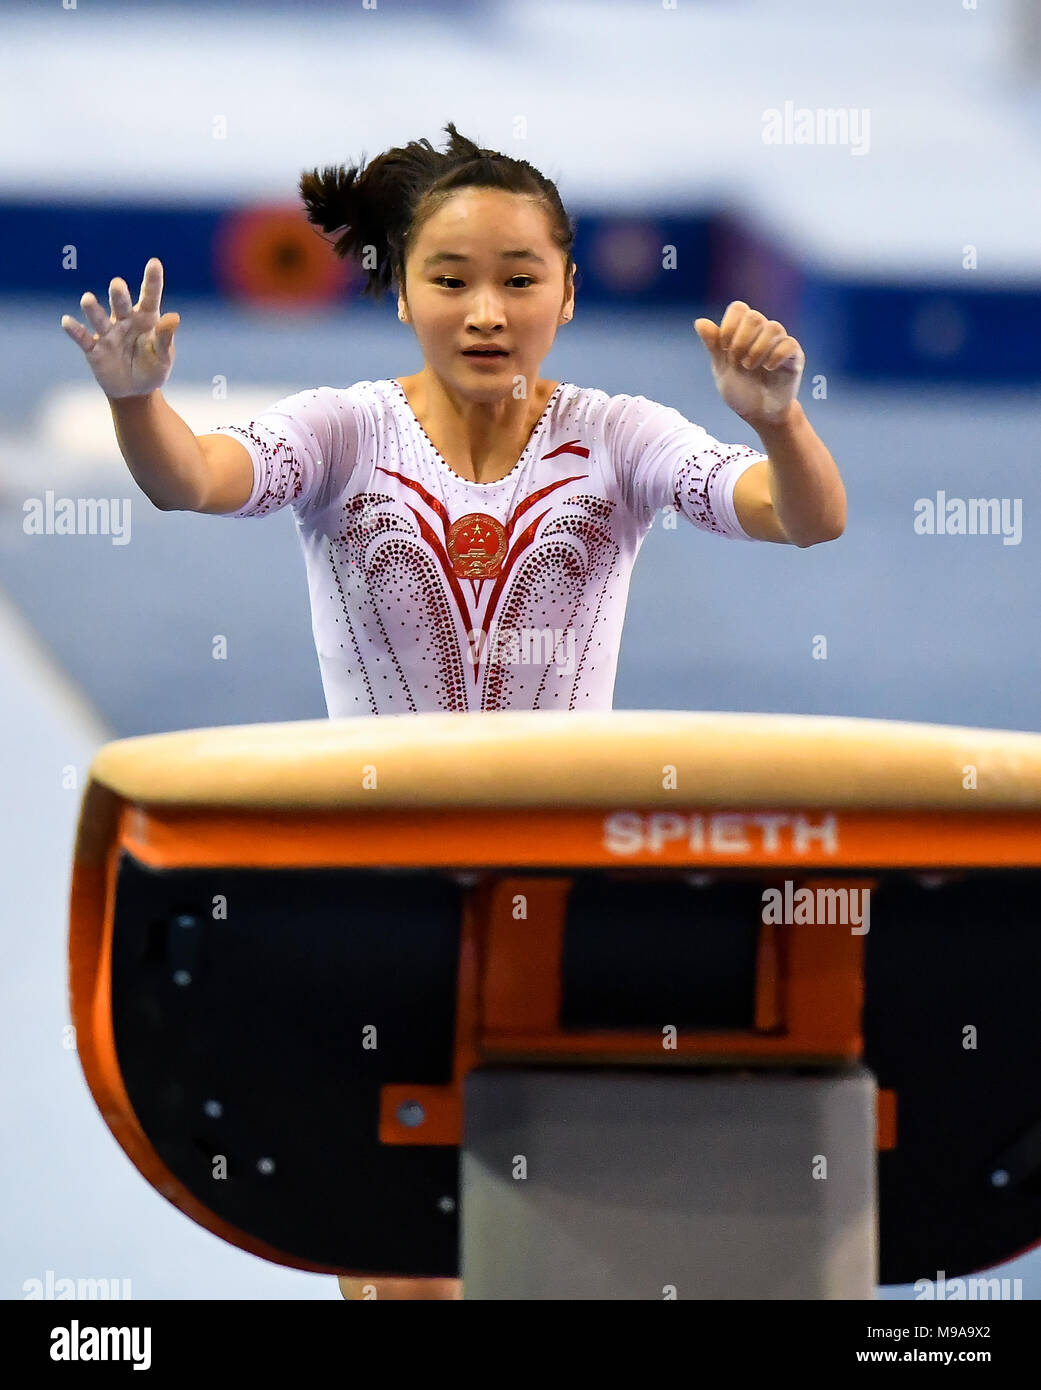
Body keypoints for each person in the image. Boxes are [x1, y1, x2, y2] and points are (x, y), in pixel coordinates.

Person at [60, 122, 847, 1299]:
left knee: (550, 1232)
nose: (487, 310)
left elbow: (807, 518)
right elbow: (193, 479)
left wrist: (777, 418)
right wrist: (137, 405)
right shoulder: (341, 432)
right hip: (383, 876)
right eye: (452, 280)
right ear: (400, 297)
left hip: (562, 873)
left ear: (568, 293)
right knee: (396, 1253)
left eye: (519, 280)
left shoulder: (619, 436)